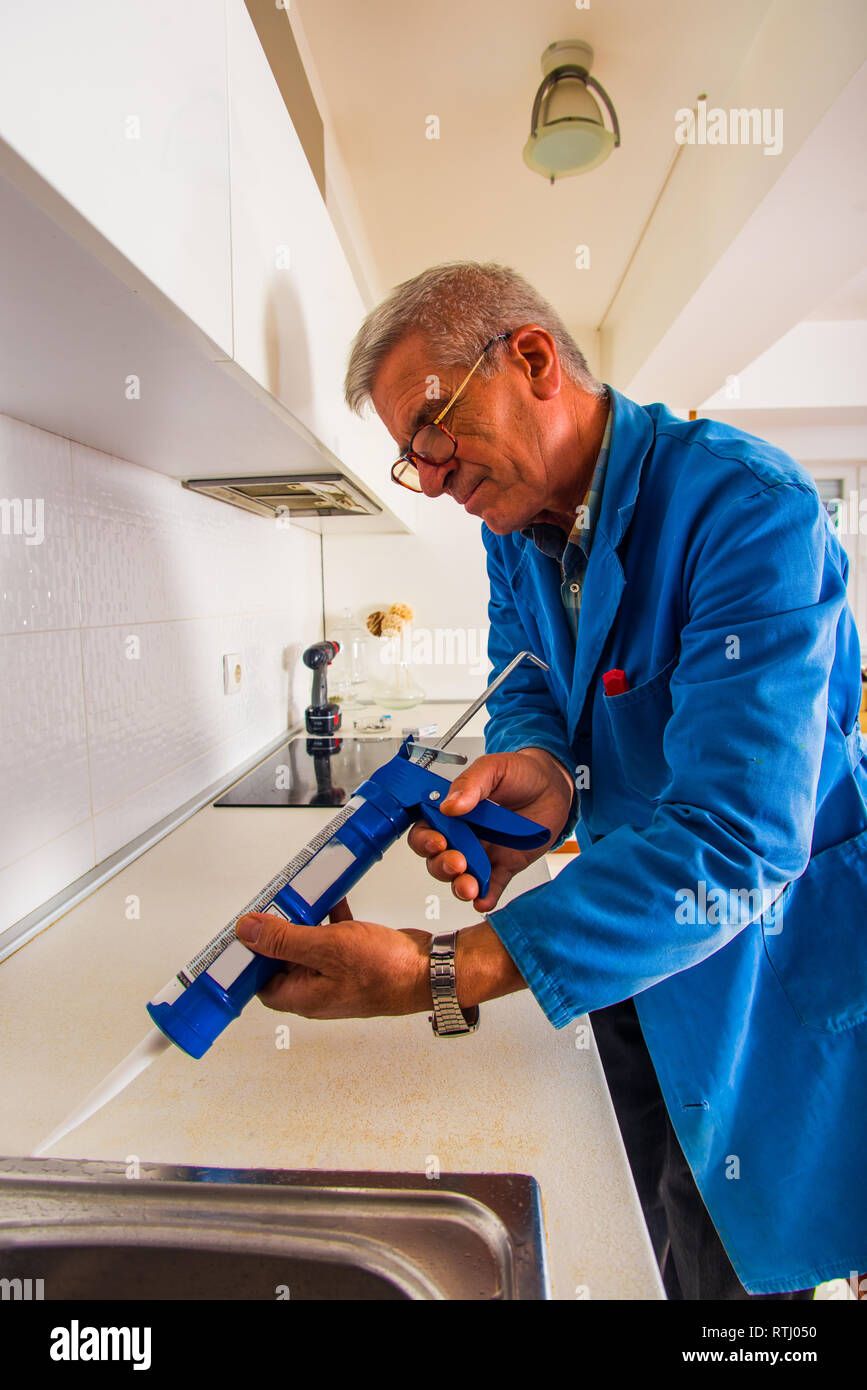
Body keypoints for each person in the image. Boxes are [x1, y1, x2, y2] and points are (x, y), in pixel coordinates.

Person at [235, 261, 867, 1299]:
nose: (430, 476)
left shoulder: (749, 510)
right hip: (623, 937)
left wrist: (446, 971)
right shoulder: (516, 531)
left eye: (432, 429)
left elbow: (738, 842)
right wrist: (546, 775)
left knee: (739, 1265)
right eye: (409, 459)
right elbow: (526, 679)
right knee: (649, 1226)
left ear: (530, 357)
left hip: (759, 959)